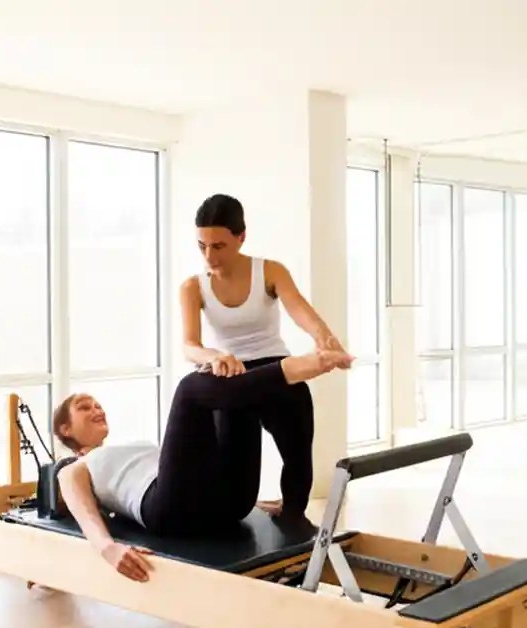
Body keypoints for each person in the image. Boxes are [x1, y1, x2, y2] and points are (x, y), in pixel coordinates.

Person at [51, 350, 353, 582]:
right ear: (66, 430)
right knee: (189, 389)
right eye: (83, 407)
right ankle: (291, 369)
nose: (96, 409)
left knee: (233, 393)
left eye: (96, 404)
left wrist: (257, 506)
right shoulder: (77, 465)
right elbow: (79, 504)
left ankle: (285, 376)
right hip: (170, 510)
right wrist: (107, 548)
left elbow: (187, 469)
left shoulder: (126, 448)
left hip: (230, 503)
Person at [178, 193, 350, 521]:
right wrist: (214, 355)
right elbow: (188, 345)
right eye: (202, 246)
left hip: (276, 370)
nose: (209, 255)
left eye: (218, 246)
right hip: (232, 378)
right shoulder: (192, 287)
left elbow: (299, 307)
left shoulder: (269, 271)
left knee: (298, 457)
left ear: (241, 237)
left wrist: (324, 338)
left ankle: (293, 516)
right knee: (235, 473)